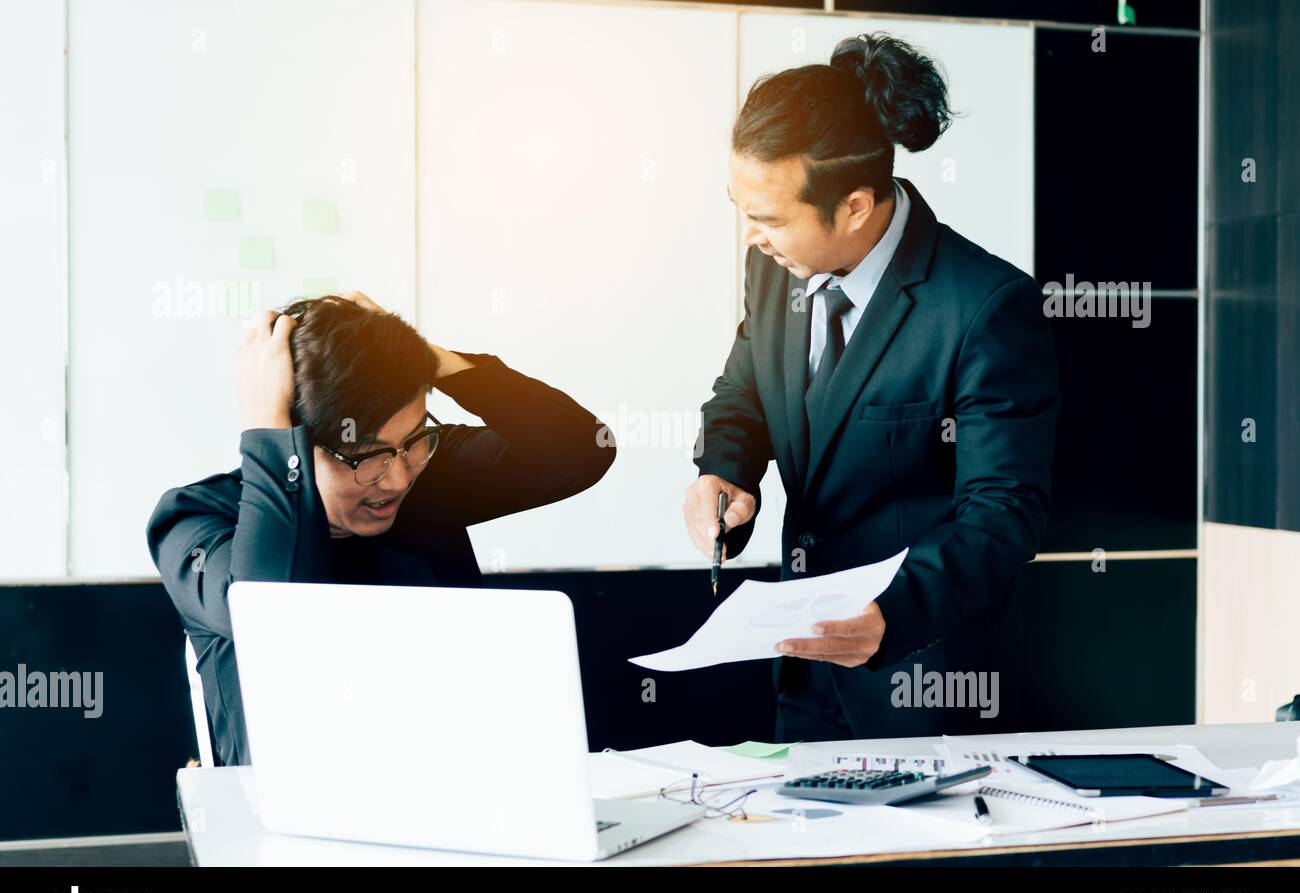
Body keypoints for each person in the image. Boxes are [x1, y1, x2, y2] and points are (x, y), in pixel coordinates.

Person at [684, 34, 1059, 741]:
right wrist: (723, 470)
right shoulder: (773, 269)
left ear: (854, 206)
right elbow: (745, 391)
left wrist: (894, 613)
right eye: (742, 207)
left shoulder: (985, 306)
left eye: (767, 217)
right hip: (803, 679)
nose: (750, 235)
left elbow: (1004, 514)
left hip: (922, 683)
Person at [148, 292, 615, 766]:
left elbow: (581, 450)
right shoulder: (196, 521)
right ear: (292, 439)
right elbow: (281, 614)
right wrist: (265, 423)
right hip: (301, 819)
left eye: (414, 441)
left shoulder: (429, 475)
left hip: (464, 788)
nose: (397, 478)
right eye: (366, 456)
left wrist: (424, 360)